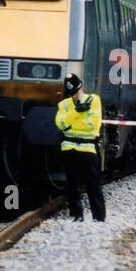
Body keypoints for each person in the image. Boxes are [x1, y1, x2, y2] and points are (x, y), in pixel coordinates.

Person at [54, 73, 106, 221]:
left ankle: (99, 217)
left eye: (76, 92)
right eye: (72, 94)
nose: (75, 96)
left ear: (81, 87)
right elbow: (61, 124)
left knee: (93, 185)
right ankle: (76, 215)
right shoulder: (64, 104)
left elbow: (94, 124)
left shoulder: (94, 100)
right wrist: (77, 112)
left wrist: (72, 120)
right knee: (72, 185)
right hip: (70, 149)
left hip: (88, 149)